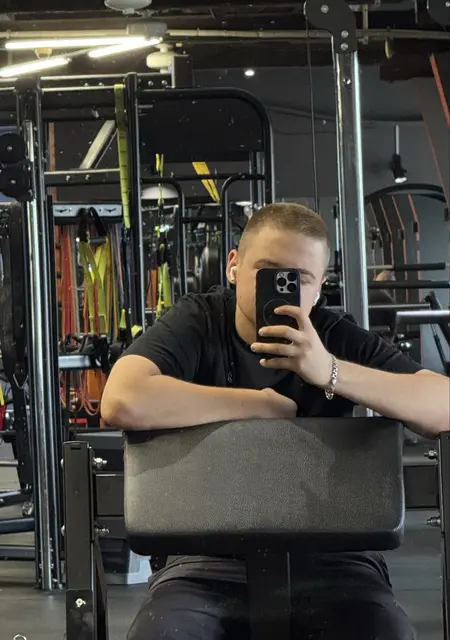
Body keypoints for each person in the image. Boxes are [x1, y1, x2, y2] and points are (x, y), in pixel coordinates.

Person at [102, 203, 449, 640]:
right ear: (233, 266)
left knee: (387, 633)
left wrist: (329, 371)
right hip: (206, 561)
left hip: (333, 560)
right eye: (268, 272)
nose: (283, 289)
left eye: (299, 278)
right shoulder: (199, 321)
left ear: (319, 289)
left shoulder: (333, 336)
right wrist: (259, 406)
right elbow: (121, 399)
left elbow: (443, 405)